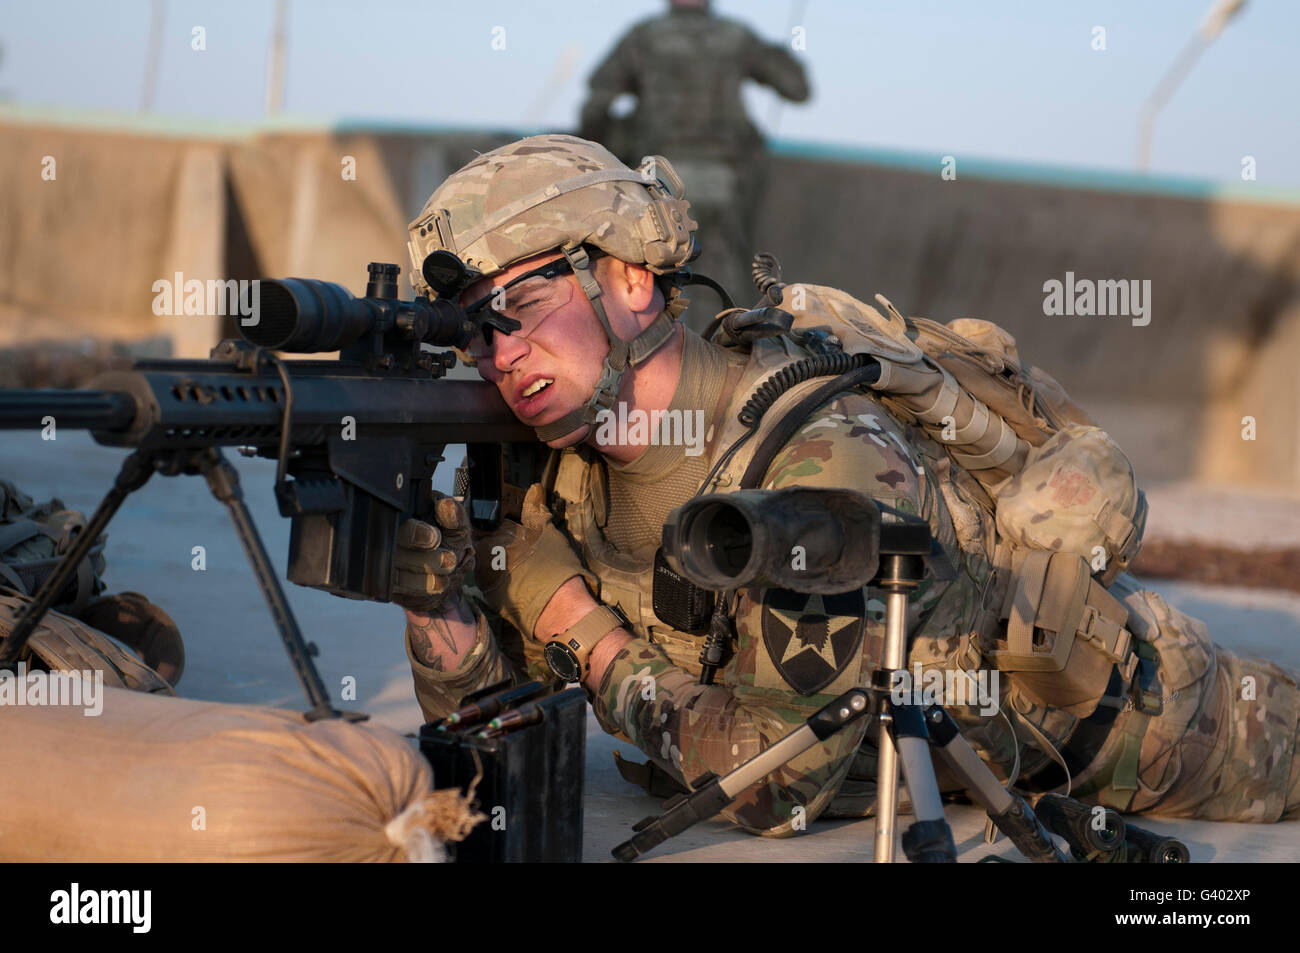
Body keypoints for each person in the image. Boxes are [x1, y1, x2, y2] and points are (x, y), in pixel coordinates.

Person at [394, 134, 1300, 836]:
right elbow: (486, 749)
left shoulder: (820, 455)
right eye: (473, 334)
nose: (502, 355)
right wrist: (439, 602)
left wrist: (574, 628)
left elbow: (776, 782)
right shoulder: (560, 480)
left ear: (629, 278)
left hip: (1156, 729)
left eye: (520, 308)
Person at [578, 0, 810, 323]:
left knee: (659, 278)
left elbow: (596, 105)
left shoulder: (644, 37)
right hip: (725, 180)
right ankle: (725, 354)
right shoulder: (736, 37)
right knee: (722, 278)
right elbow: (797, 89)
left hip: (659, 181)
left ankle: (668, 361)